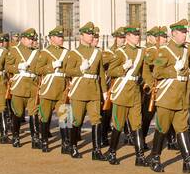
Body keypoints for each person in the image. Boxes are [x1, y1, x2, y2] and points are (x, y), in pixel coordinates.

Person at [147, 19, 190, 173]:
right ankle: (155, 157)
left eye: (185, 33)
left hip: (181, 97)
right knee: (162, 128)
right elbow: (156, 72)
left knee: (182, 129)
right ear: (174, 34)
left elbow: (188, 75)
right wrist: (172, 71)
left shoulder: (186, 50)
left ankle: (188, 161)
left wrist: (188, 96)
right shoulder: (164, 50)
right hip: (167, 97)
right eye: (182, 33)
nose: (185, 35)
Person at [63, 22, 107, 159]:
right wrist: (80, 69)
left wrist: (104, 91)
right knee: (76, 120)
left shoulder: (97, 53)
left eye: (92, 34)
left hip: (94, 90)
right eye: (88, 34)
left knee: (96, 120)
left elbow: (101, 74)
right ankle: (73, 147)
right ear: (81, 36)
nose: (91, 36)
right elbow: (67, 71)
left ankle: (96, 151)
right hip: (79, 90)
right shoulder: (74, 53)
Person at [104, 25, 147, 165]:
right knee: (118, 124)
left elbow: (145, 72)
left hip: (135, 93)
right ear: (127, 37)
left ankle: (140, 157)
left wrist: (151, 85)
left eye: (138, 35)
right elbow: (110, 71)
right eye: (134, 35)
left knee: (137, 125)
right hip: (121, 93)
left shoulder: (141, 52)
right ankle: (112, 152)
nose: (137, 37)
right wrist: (123, 67)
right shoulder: (120, 52)